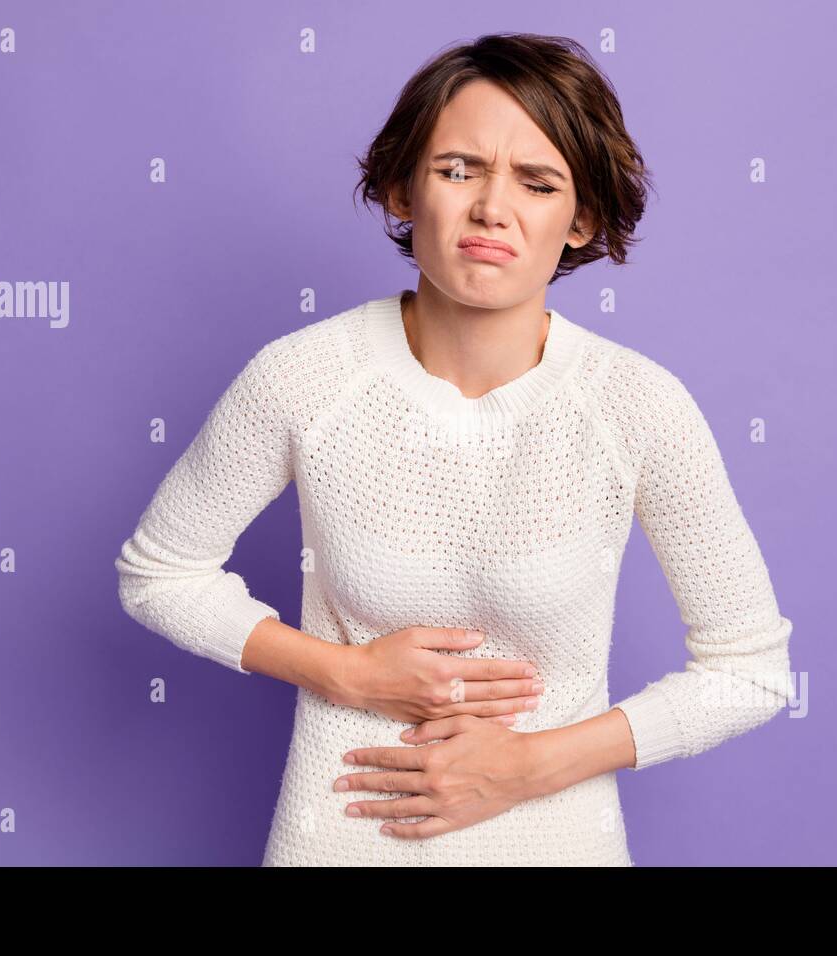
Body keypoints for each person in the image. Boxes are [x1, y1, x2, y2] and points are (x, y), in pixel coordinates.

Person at [114, 33, 793, 866]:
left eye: (537, 183)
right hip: (337, 843)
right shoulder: (302, 376)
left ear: (580, 220)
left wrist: (530, 766)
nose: (491, 208)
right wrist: (344, 673)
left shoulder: (638, 405)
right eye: (458, 170)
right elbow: (159, 573)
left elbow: (751, 669)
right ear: (402, 191)